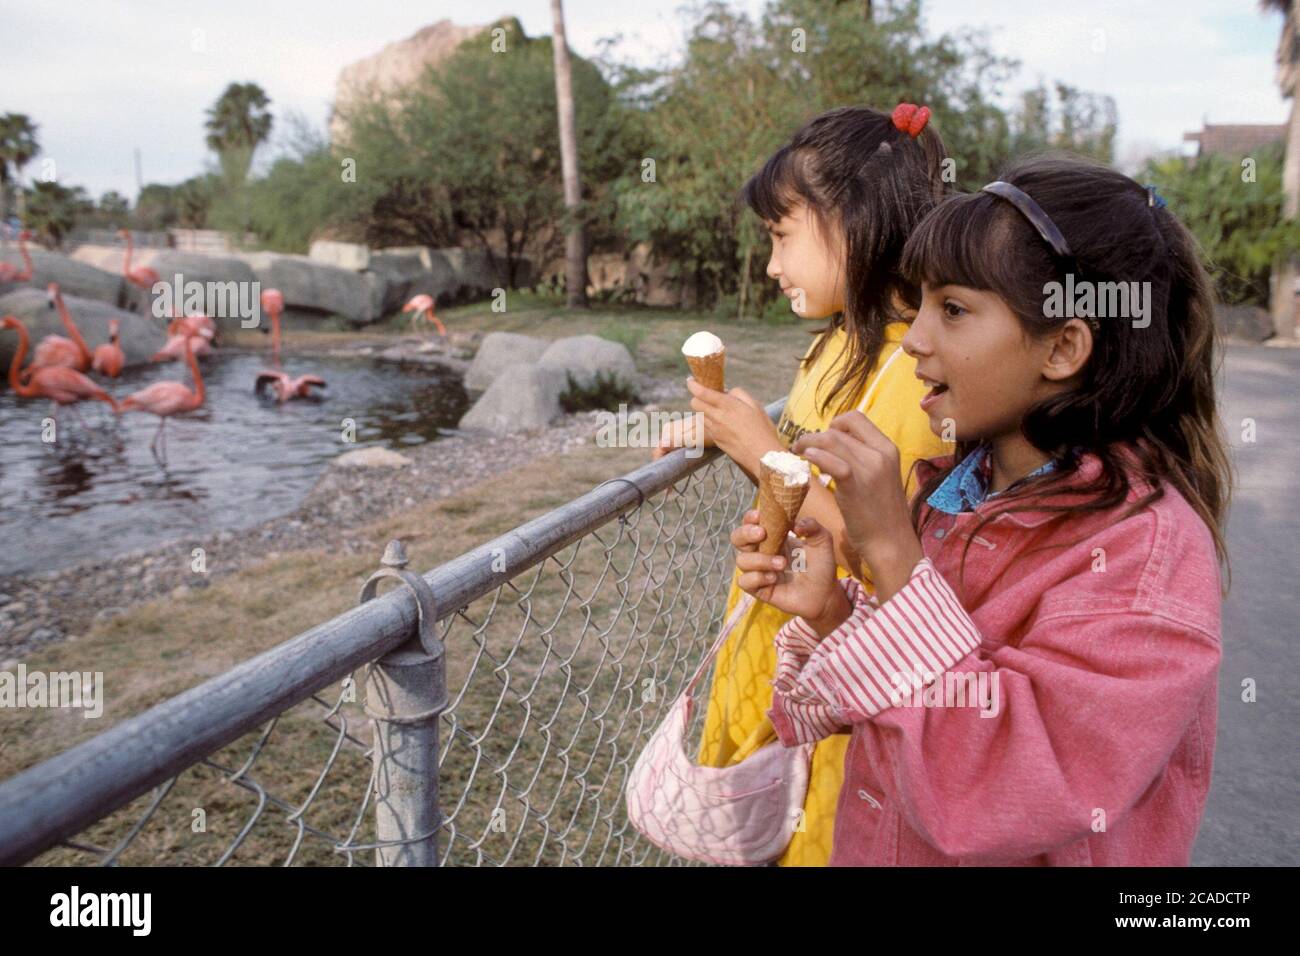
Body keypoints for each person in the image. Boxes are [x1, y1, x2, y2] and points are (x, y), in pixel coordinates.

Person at [730, 154, 1232, 865]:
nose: (916, 340)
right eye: (922, 302)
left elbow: (998, 781)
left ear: (1062, 346)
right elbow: (923, 692)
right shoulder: (965, 489)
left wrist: (895, 553)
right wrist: (834, 617)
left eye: (954, 310)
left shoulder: (1144, 556)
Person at [654, 103, 952, 865]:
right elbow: (806, 470)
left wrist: (760, 453)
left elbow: (886, 556)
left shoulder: (922, 380)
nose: (771, 266)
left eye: (783, 236)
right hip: (778, 644)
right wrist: (729, 434)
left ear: (856, 220)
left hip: (842, 671)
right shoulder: (838, 348)